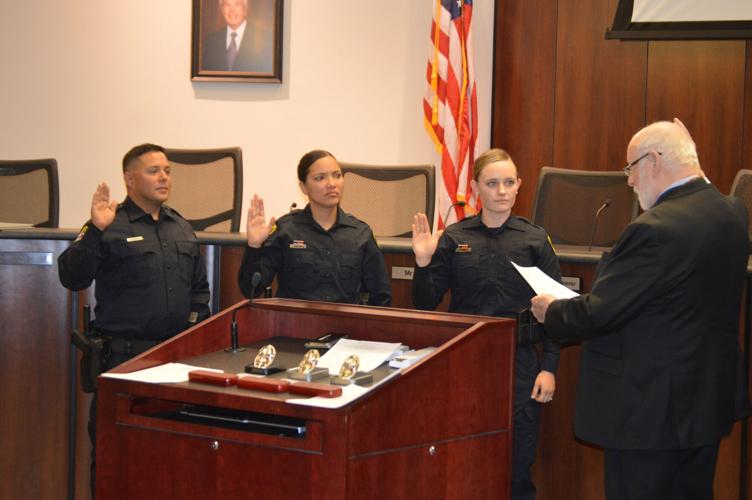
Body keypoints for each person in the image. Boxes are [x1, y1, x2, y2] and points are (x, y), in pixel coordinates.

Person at [530, 120, 749, 500]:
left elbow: (599, 313)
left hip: (649, 415)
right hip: (705, 405)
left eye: (630, 169)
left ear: (655, 160)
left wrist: (551, 311)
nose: (629, 181)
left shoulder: (654, 229)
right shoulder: (733, 214)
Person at [58, 143, 210, 492]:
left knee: (175, 456)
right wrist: (95, 231)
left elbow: (200, 291)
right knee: (117, 455)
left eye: (168, 170)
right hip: (125, 361)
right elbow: (72, 277)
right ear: (129, 178)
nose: (164, 177)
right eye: (154, 170)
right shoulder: (109, 224)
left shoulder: (181, 227)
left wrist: (190, 333)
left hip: (174, 362)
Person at [411, 148, 560, 500]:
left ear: (520, 185)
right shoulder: (455, 237)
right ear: (477, 187)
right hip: (466, 362)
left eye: (509, 182)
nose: (502, 191)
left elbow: (558, 310)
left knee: (518, 460)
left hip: (520, 362)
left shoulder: (535, 238)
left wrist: (549, 368)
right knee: (464, 455)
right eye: (492, 184)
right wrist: (422, 261)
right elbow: (425, 303)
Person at [237, 149, 391, 306]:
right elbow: (251, 290)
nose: (331, 184)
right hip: (294, 327)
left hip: (345, 328)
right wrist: (254, 247)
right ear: (303, 187)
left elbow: (381, 297)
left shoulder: (360, 233)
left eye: (337, 175)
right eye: (320, 178)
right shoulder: (286, 230)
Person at [201, 0, 273, 72]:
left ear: (245, 8)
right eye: (227, 5)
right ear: (222, 9)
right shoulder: (211, 42)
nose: (232, 10)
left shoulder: (265, 40)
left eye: (237, 4)